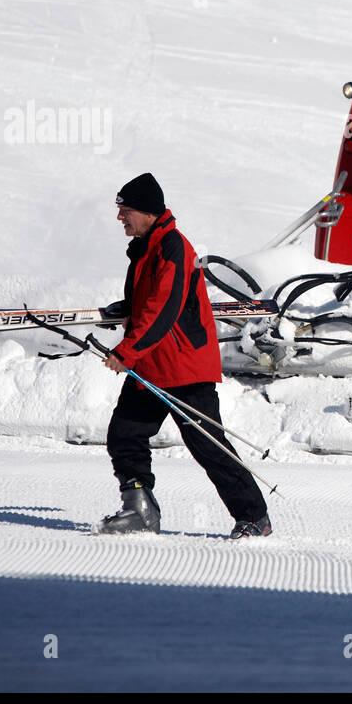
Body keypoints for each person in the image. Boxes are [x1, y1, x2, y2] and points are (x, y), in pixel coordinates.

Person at [98, 173, 273, 537]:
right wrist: (125, 312)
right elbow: (150, 302)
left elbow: (164, 310)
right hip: (153, 363)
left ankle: (254, 517)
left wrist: (126, 351)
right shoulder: (148, 245)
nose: (120, 217)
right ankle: (140, 511)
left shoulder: (172, 247)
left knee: (207, 445)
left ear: (146, 211)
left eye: (125, 210)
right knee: (124, 434)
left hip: (183, 366)